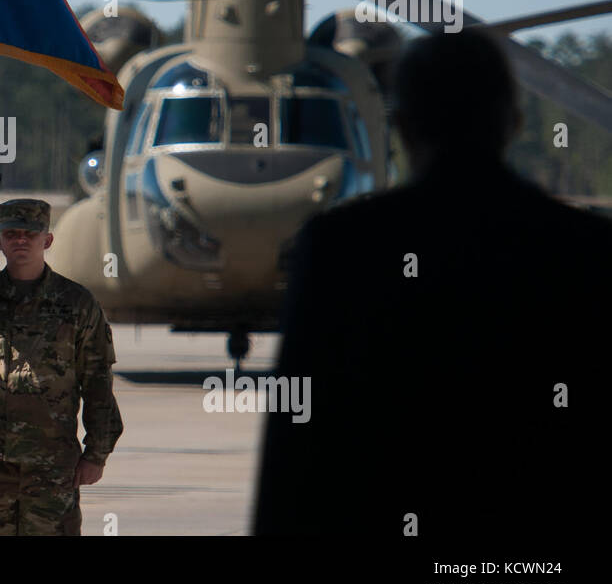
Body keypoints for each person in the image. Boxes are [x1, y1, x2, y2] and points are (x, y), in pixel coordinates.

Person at [254, 29, 612, 539]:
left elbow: (296, 447)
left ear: (400, 125)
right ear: (513, 122)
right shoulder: (588, 248)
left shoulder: (341, 247)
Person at [0, 199, 122, 535]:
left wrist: (97, 452)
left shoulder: (77, 304)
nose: (21, 240)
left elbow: (97, 382)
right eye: (12, 233)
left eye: (30, 234)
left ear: (47, 240)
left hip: (51, 465)